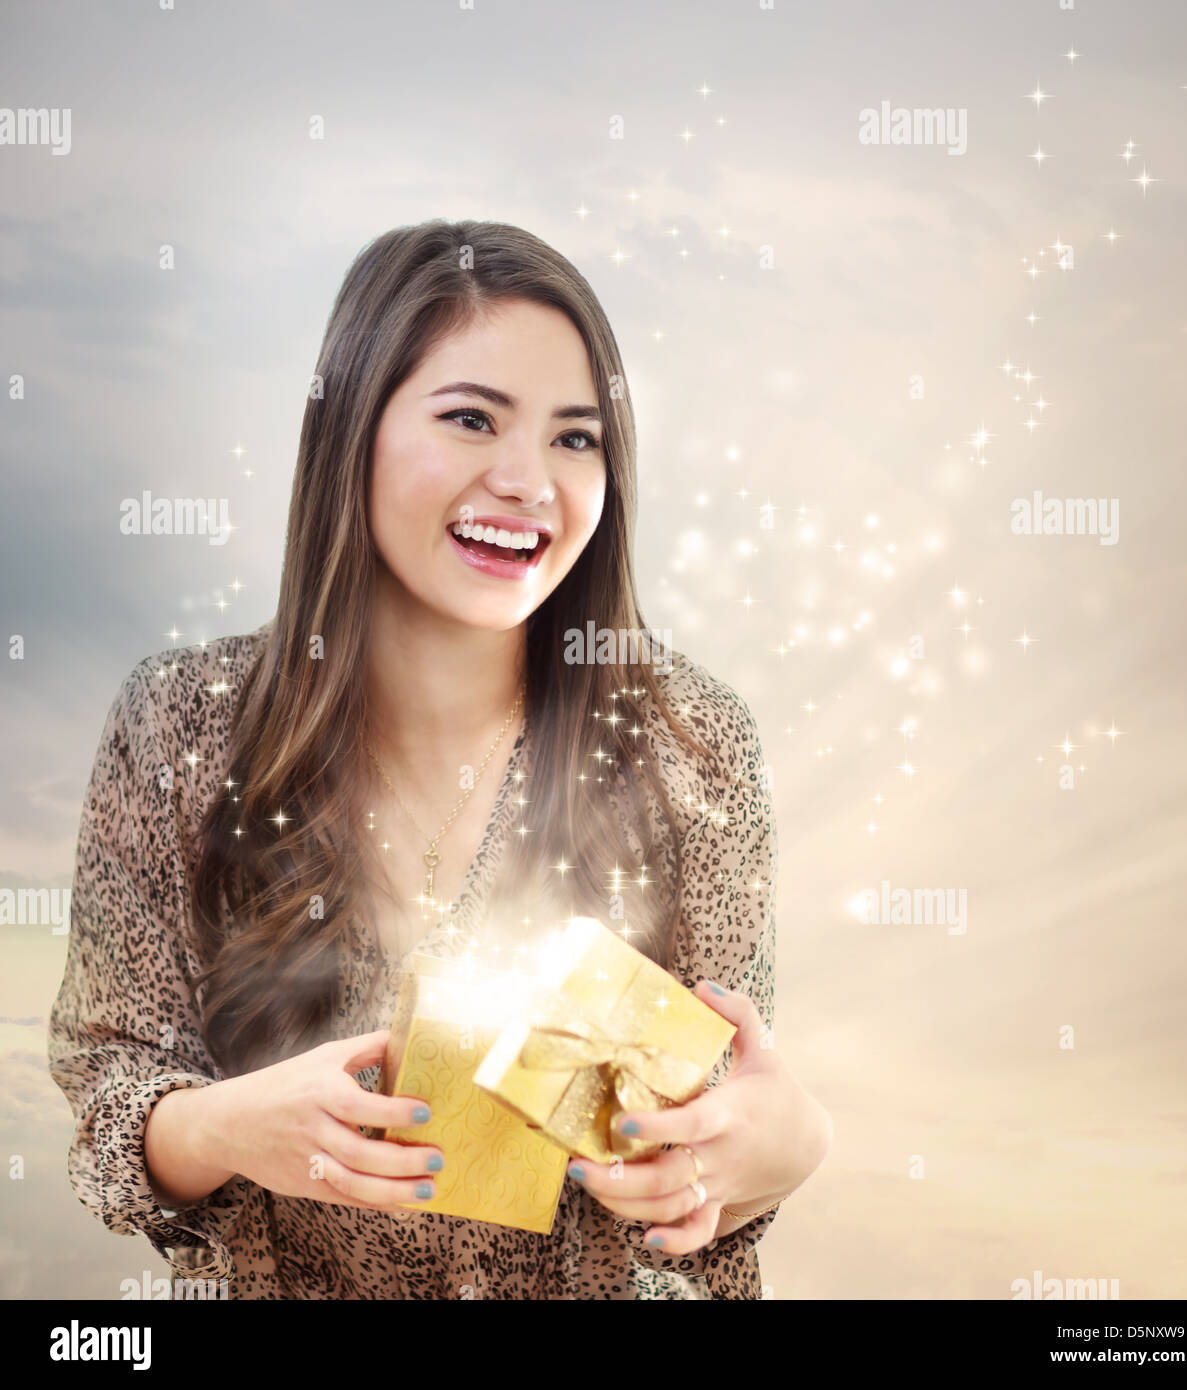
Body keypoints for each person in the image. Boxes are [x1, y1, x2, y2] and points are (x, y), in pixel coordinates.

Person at [48, 219, 831, 1299]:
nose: (527, 481)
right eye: (470, 418)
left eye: (575, 437)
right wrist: (230, 1126)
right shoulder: (181, 726)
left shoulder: (689, 745)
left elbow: (705, 1180)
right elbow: (109, 1104)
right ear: (352, 432)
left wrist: (770, 1150)